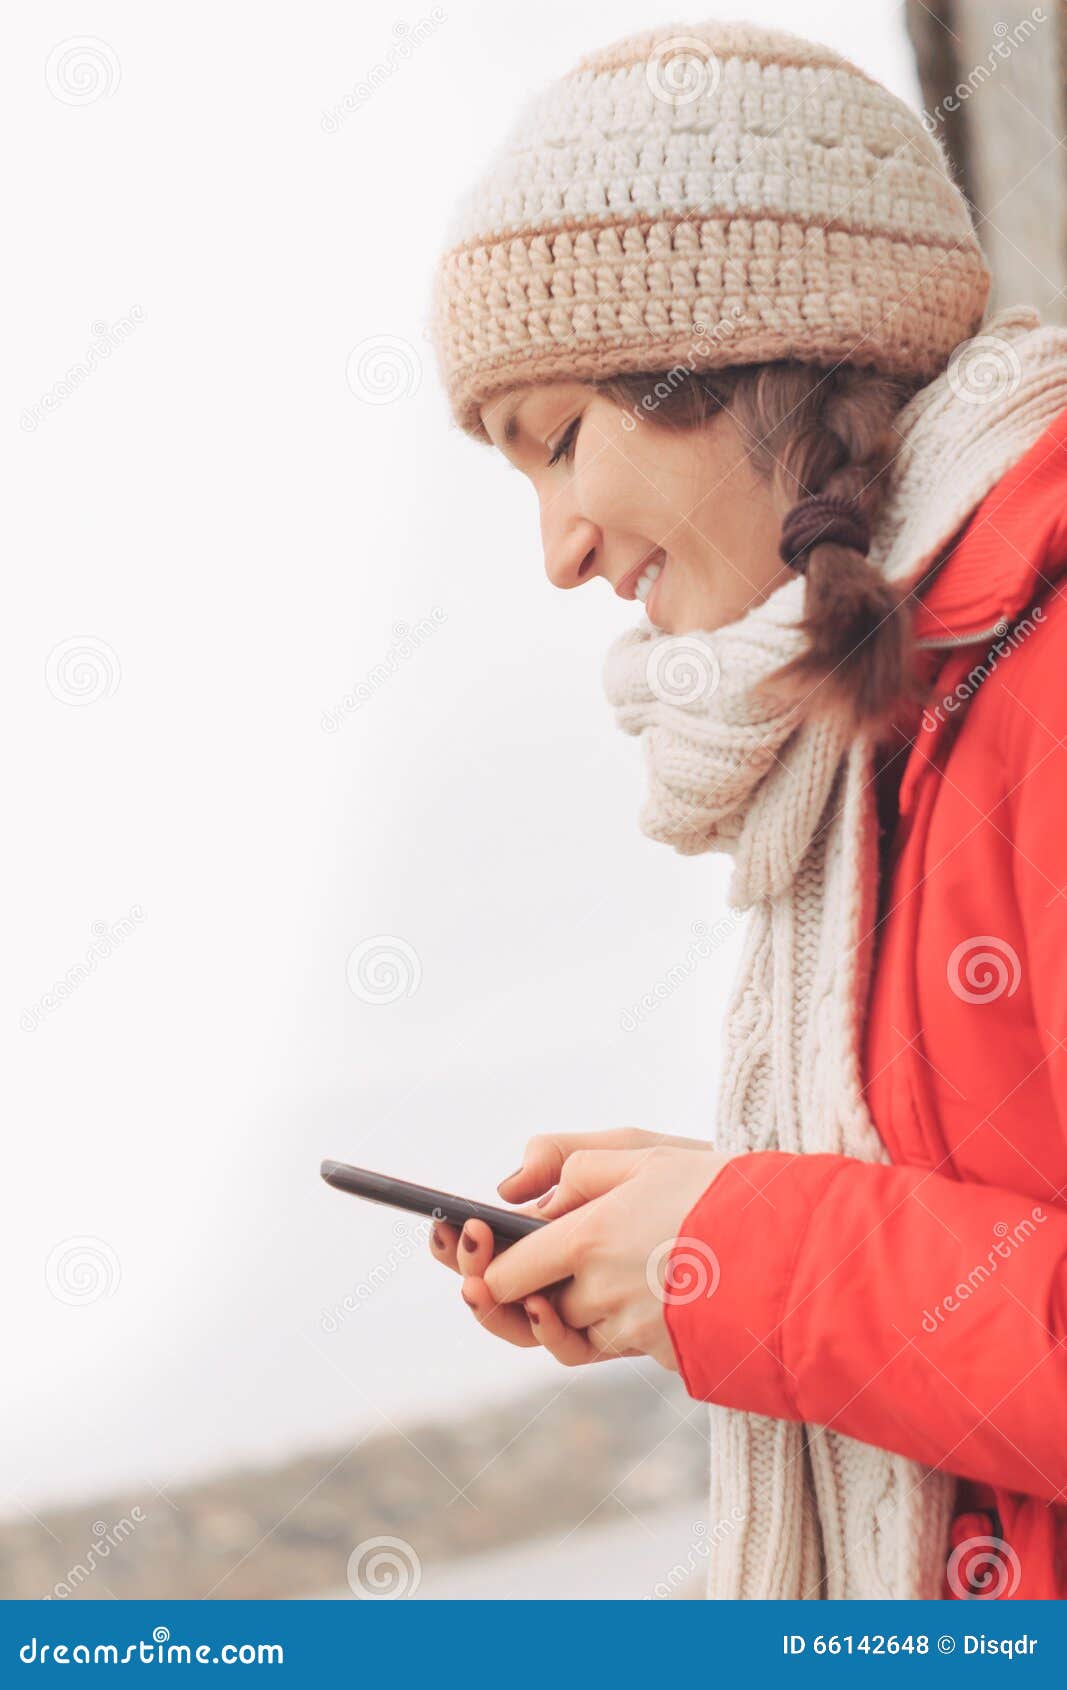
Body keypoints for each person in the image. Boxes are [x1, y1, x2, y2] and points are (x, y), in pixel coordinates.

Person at [424, 17, 1067, 1600]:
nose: (560, 550)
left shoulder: (1040, 675)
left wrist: (749, 1254)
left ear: (737, 354)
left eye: (561, 441)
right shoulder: (900, 716)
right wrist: (678, 1225)